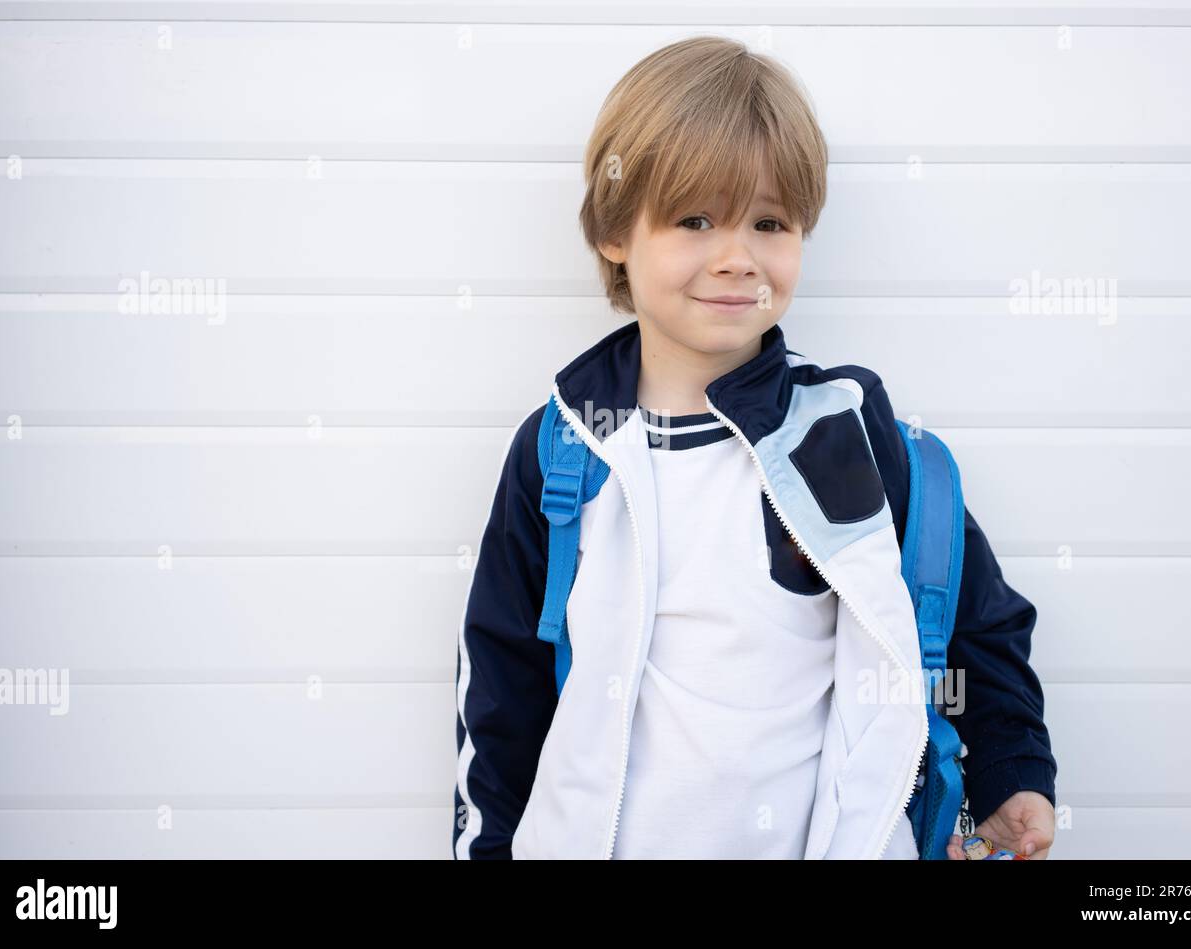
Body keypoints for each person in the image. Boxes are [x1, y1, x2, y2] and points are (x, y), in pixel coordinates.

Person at [453, 35, 1056, 860]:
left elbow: (976, 626)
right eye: (695, 219)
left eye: (769, 222)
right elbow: (499, 698)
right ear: (615, 232)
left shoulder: (847, 433)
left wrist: (1013, 771)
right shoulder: (563, 447)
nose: (737, 257)